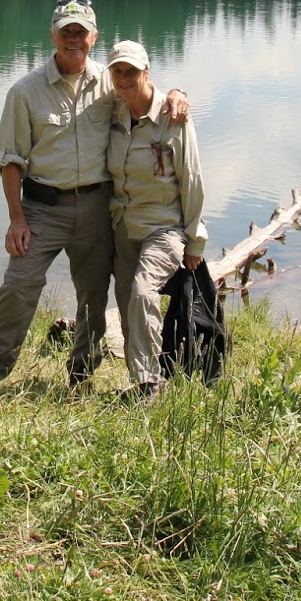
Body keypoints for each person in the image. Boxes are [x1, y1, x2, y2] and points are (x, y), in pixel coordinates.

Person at [0, 0, 187, 392]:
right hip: (42, 210)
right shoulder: (25, 92)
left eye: (81, 32)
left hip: (98, 208)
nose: (73, 38)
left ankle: (82, 373)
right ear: (53, 35)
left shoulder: (109, 82)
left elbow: (142, 93)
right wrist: (16, 219)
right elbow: (10, 160)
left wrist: (177, 93)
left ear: (93, 37)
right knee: (19, 285)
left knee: (93, 296)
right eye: (66, 30)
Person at [103, 40, 208, 399]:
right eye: (117, 71)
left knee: (143, 292)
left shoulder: (173, 116)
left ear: (147, 73)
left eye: (131, 71)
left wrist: (196, 239)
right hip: (123, 226)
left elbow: (192, 179)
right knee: (125, 300)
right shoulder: (114, 109)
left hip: (164, 228)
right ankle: (140, 378)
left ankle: (150, 384)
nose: (124, 78)